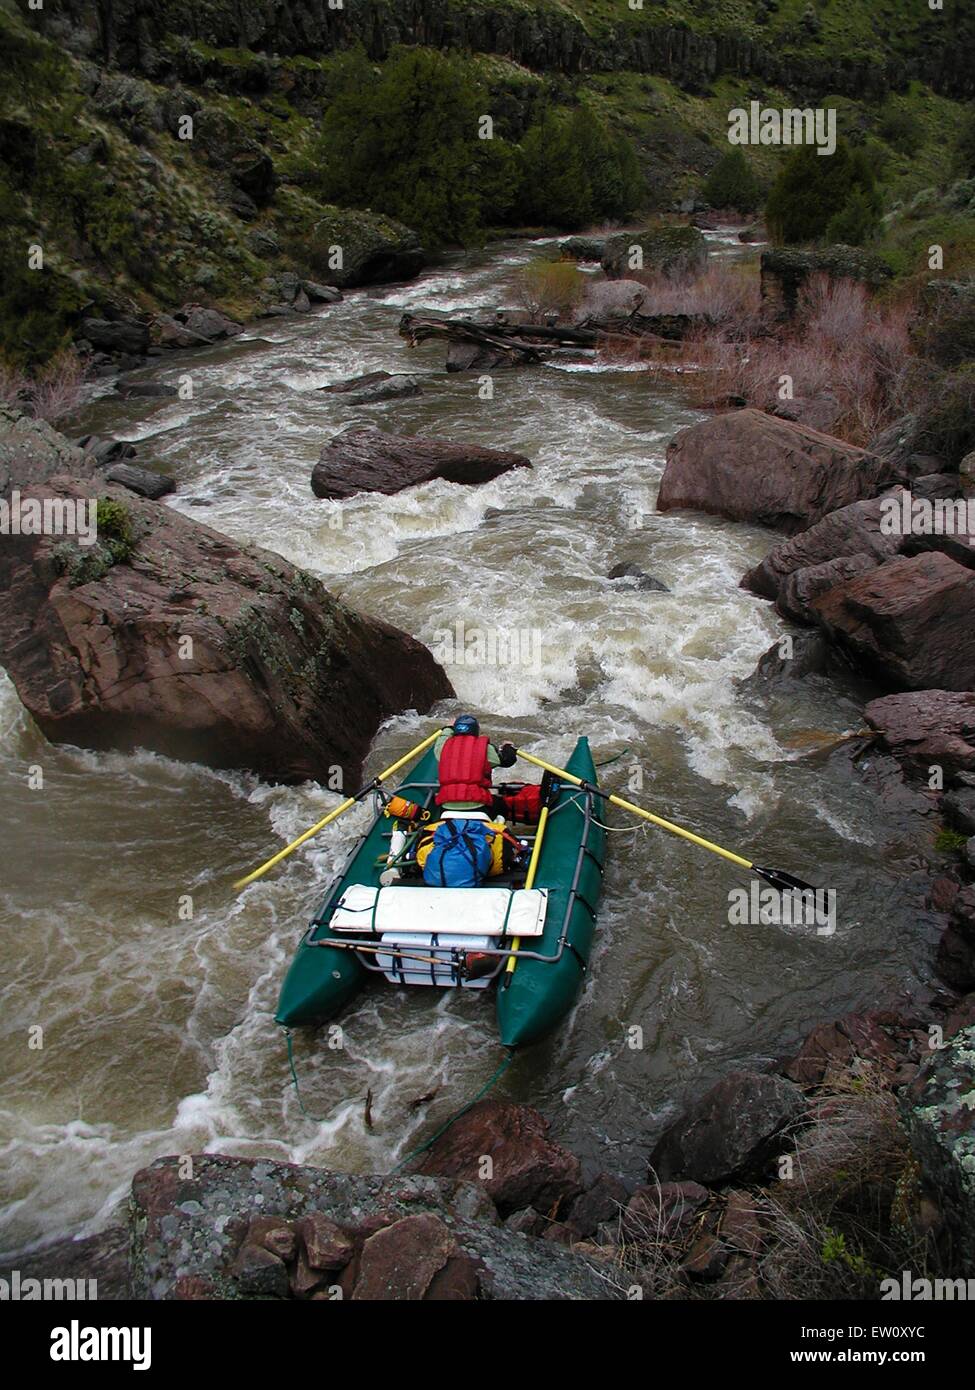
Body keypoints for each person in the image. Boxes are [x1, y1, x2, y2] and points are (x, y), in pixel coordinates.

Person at [434, 715, 517, 812]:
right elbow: (507, 760)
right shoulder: (485, 748)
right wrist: (508, 746)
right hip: (477, 804)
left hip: (446, 804)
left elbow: (443, 737)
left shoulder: (442, 747)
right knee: (503, 805)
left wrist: (448, 728)